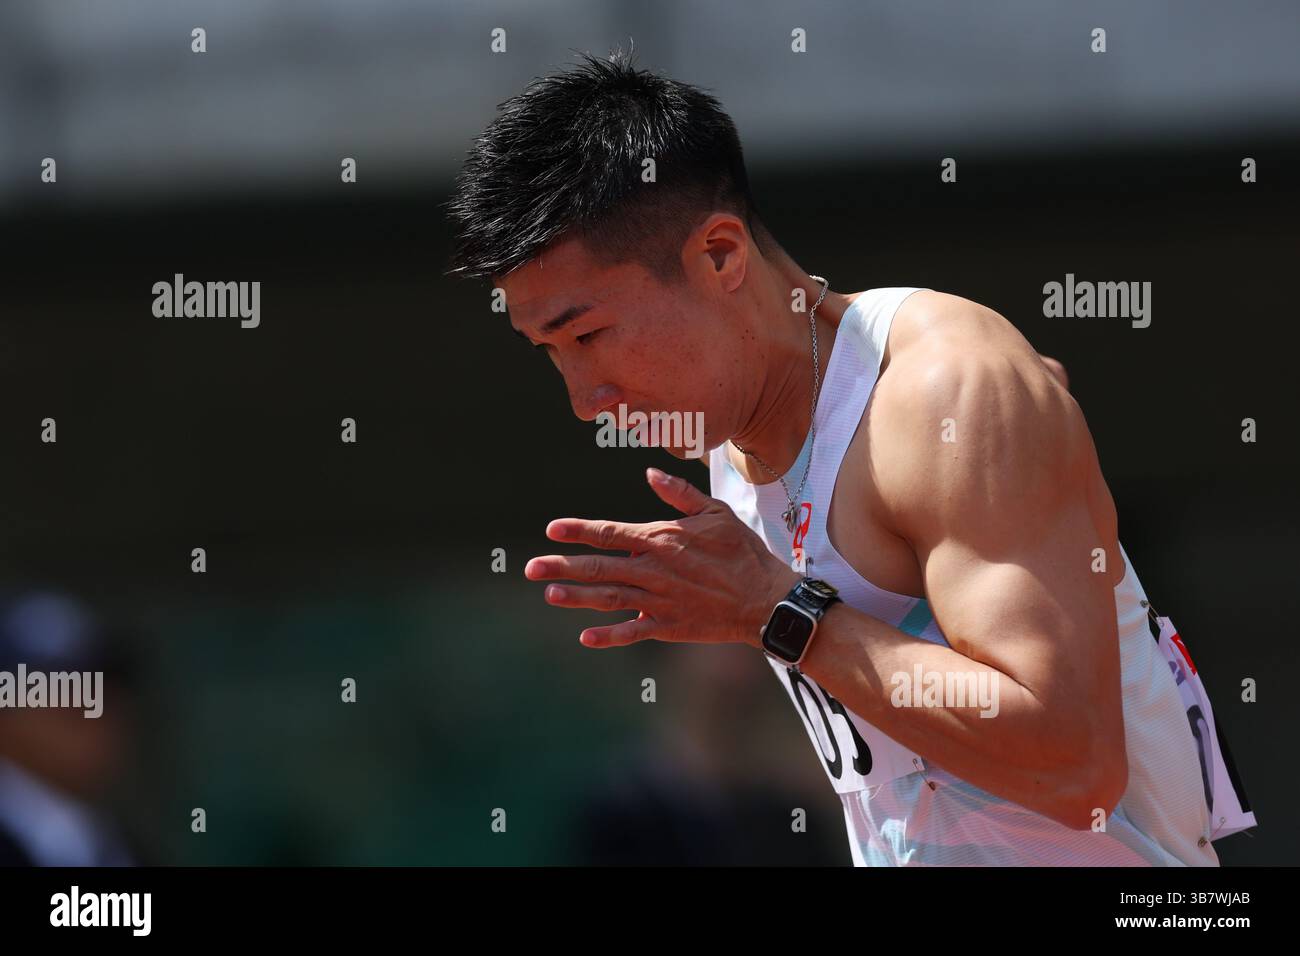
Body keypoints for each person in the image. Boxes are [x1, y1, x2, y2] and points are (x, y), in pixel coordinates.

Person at [446, 49, 1228, 865]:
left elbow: (1075, 764)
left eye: (588, 334)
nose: (584, 396)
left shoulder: (940, 393)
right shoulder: (735, 438)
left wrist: (777, 613)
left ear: (720, 256)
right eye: (548, 350)